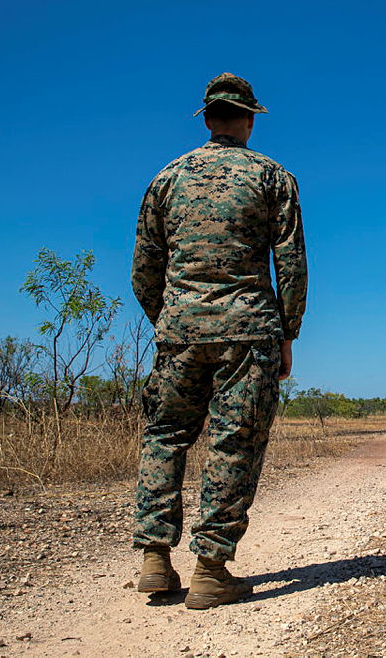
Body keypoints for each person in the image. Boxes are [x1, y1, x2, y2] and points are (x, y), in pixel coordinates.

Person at [130, 73, 307, 610]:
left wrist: (170, 317)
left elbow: (144, 267)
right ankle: (210, 569)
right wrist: (287, 331)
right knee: (234, 442)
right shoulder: (273, 177)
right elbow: (291, 264)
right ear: (250, 119)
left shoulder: (167, 178)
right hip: (248, 332)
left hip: (179, 331)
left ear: (207, 119)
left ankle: (155, 561)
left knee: (166, 434)